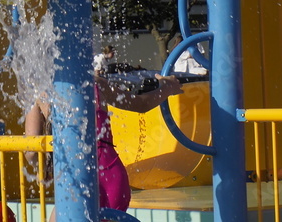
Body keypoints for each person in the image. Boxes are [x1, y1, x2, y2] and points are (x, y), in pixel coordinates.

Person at [25, 67, 183, 214]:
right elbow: (141, 104)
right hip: (111, 175)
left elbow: (31, 152)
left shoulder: (39, 92)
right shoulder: (93, 82)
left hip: (75, 178)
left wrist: (45, 168)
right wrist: (167, 87)